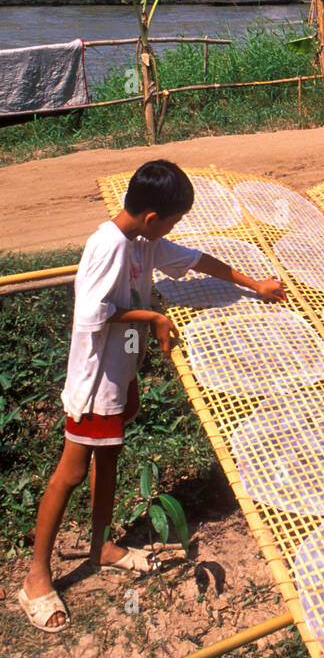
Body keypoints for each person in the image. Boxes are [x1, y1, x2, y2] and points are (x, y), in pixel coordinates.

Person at [18, 159, 286, 632]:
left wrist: (254, 284)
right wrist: (155, 321)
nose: (175, 229)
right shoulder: (108, 247)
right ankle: (35, 576)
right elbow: (93, 317)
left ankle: (102, 543)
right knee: (71, 471)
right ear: (150, 217)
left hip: (118, 374)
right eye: (174, 220)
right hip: (94, 383)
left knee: (110, 460)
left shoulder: (143, 242)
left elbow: (198, 260)